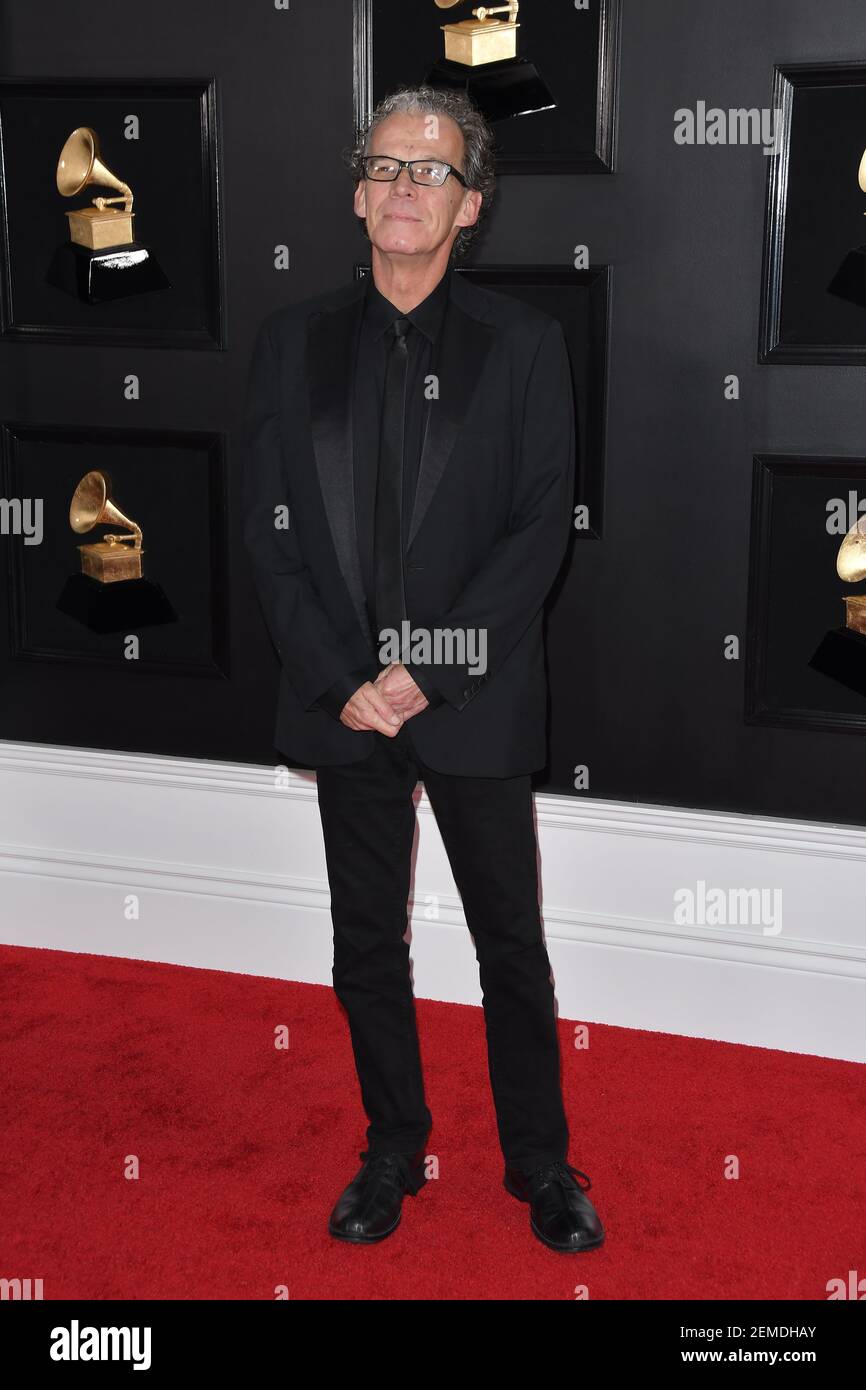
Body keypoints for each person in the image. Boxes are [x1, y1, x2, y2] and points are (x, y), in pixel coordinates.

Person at [242, 84, 604, 1253]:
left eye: (431, 171)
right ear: (358, 195)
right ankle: (391, 1148)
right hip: (342, 694)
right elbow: (270, 529)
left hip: (471, 698)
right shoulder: (289, 342)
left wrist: (422, 673)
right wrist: (347, 673)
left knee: (511, 940)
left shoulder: (526, 346)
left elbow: (537, 532)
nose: (406, 188)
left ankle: (540, 1165)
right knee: (365, 941)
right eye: (386, 167)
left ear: (470, 207)